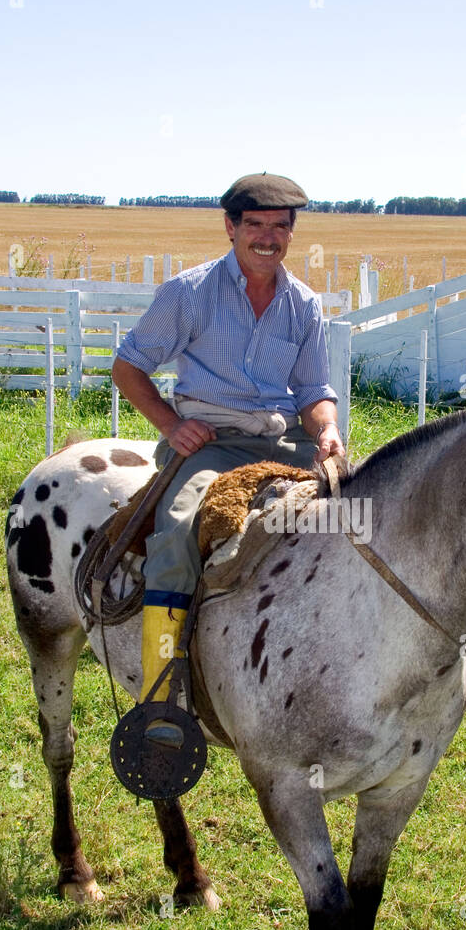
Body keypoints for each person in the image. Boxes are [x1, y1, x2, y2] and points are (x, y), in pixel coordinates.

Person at [111, 172, 345, 743]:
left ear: (292, 233)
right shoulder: (189, 293)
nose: (268, 238)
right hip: (210, 443)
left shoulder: (303, 305)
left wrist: (329, 431)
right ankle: (161, 699)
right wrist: (171, 423)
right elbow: (127, 367)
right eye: (255, 226)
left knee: (358, 520)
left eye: (280, 228)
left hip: (284, 441)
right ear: (231, 227)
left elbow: (313, 390)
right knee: (175, 534)